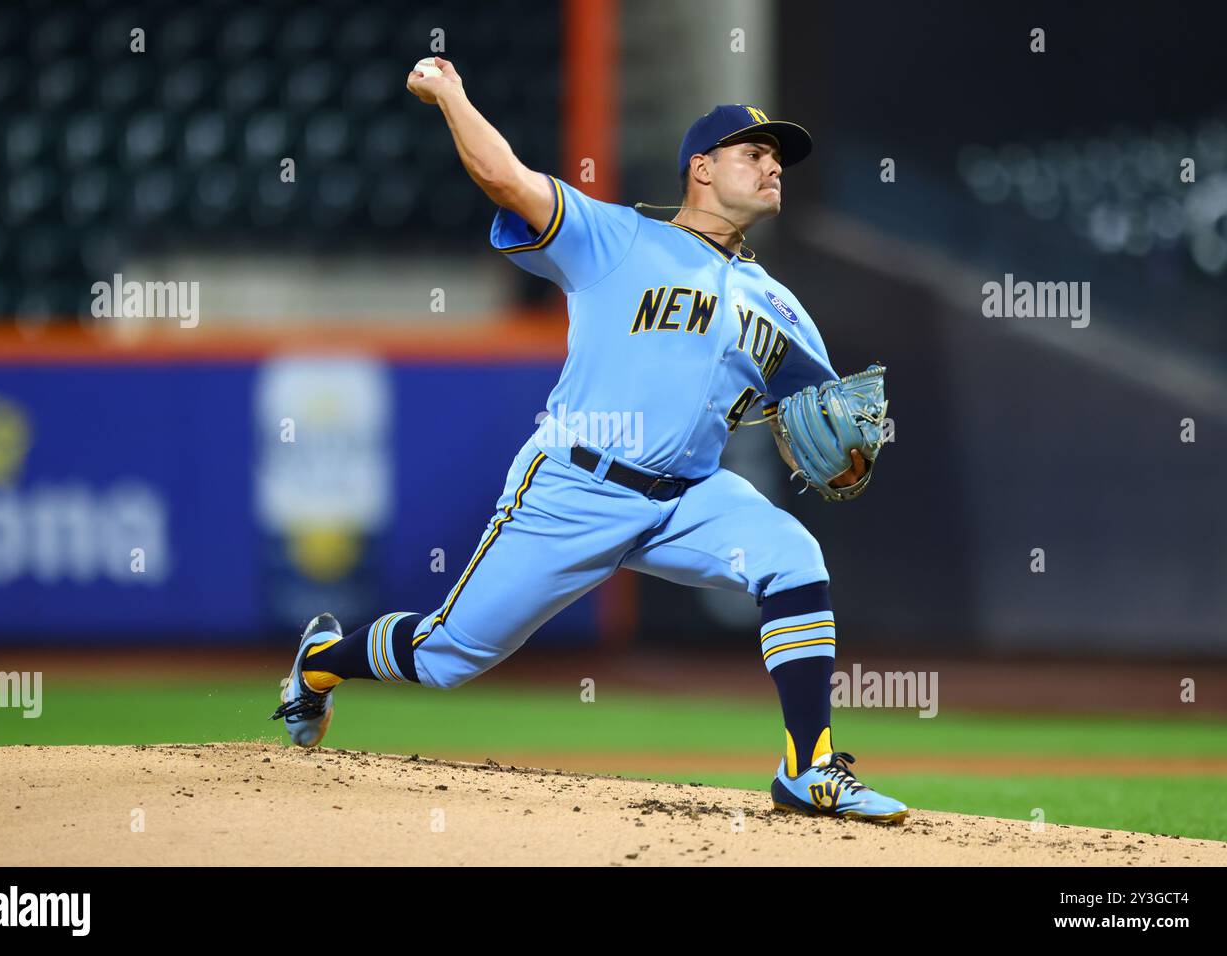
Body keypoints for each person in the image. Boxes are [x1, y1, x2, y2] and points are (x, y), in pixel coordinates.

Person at [270, 57, 907, 824]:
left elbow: (819, 421)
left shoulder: (782, 308)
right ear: (701, 169)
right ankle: (319, 663)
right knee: (446, 656)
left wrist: (848, 453)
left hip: (692, 498)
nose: (774, 167)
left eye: (779, 159)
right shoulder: (617, 238)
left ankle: (807, 769)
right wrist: (451, 94)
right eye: (755, 153)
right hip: (575, 486)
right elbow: (505, 179)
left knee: (793, 557)